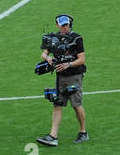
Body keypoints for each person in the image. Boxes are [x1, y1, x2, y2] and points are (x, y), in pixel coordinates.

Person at [36, 14, 89, 146]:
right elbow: (44, 53)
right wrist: (48, 59)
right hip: (61, 75)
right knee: (58, 103)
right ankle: (53, 136)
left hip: (74, 75)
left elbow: (82, 59)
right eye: (62, 25)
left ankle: (83, 132)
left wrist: (68, 64)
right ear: (57, 25)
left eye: (67, 24)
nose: (65, 27)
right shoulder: (54, 38)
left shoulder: (76, 38)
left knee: (76, 105)